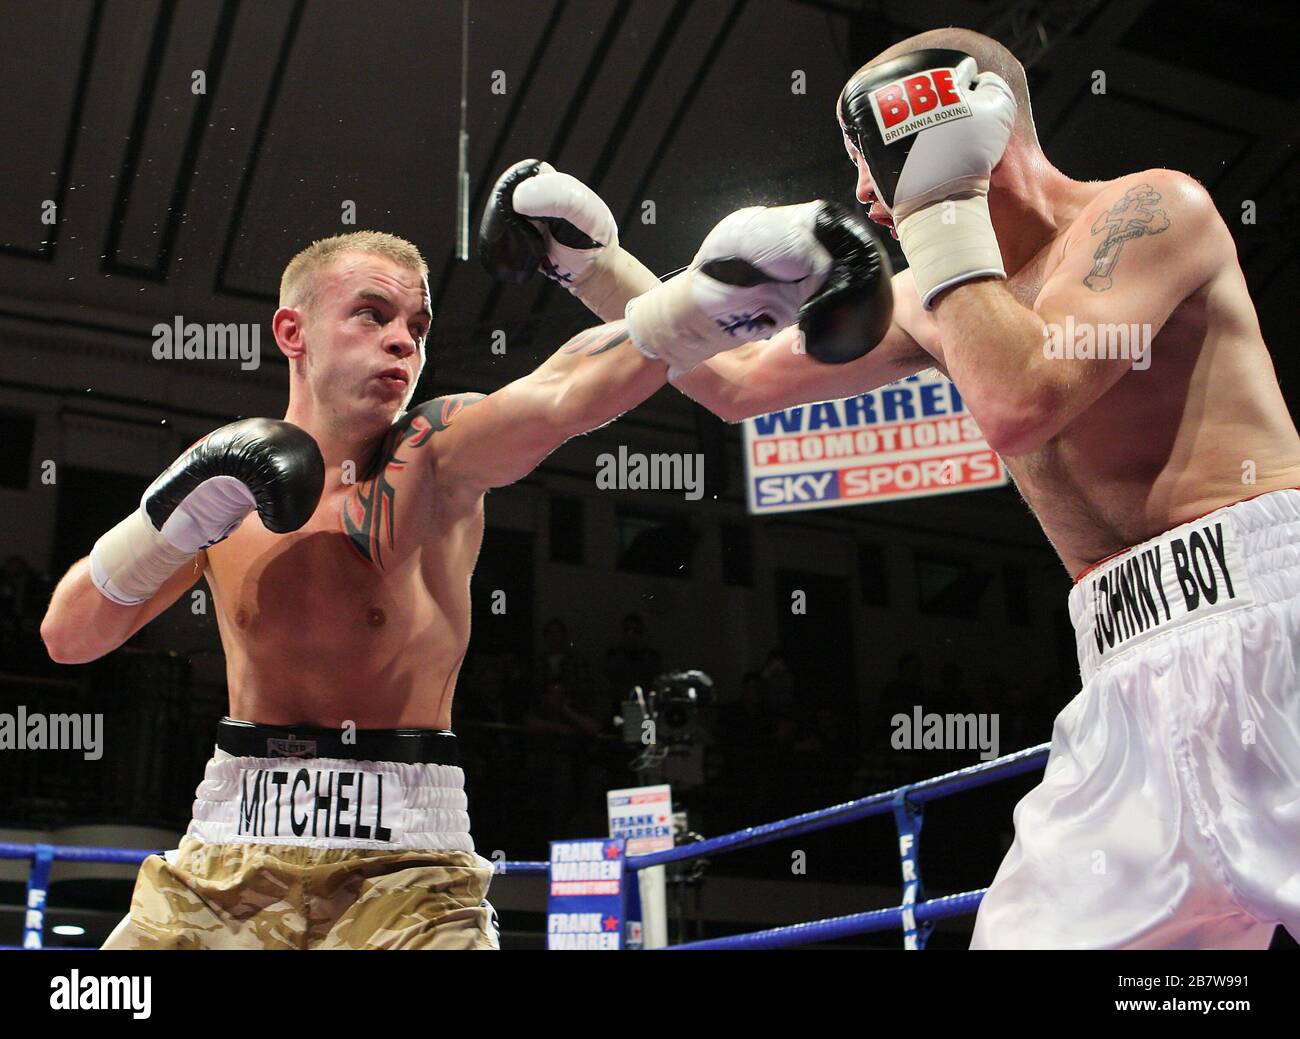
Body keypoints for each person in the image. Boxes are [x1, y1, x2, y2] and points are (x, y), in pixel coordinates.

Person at [38, 158, 883, 949]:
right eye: (372, 314)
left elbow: (559, 394)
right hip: (227, 845)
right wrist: (169, 525)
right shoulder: (227, 477)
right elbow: (69, 637)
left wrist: (707, 303)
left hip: (407, 859)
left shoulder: (435, 454)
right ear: (292, 330)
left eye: (417, 324)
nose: (403, 341)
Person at [593, 29, 1300, 949]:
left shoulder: (1153, 211)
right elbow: (730, 387)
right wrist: (595, 265)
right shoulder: (935, 291)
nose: (858, 192)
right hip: (1124, 677)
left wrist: (936, 205)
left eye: (868, 157)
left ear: (949, 124)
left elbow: (1023, 398)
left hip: (1269, 617)